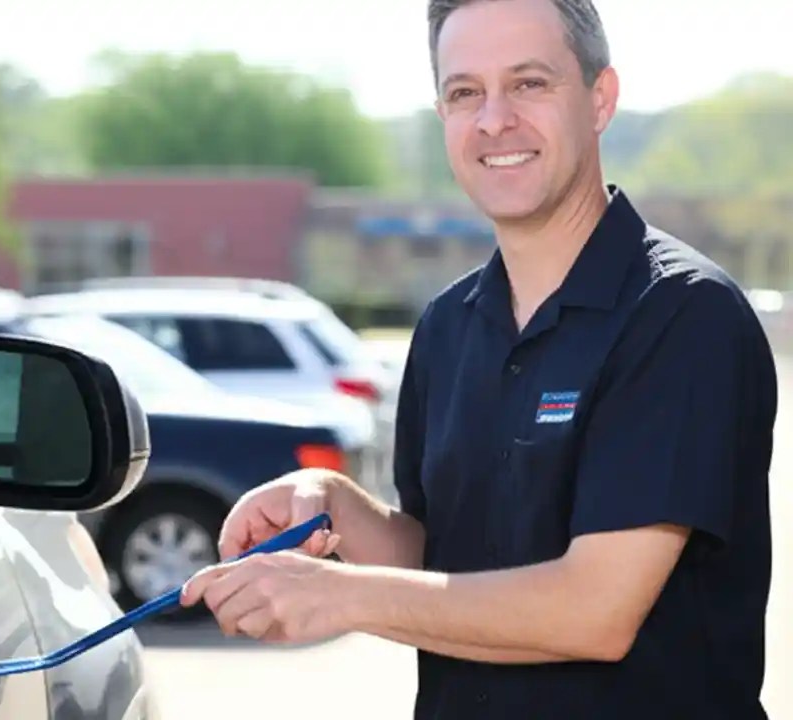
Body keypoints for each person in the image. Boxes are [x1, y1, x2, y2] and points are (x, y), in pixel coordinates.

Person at [179, 1, 777, 718]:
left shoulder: (681, 314)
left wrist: (337, 597)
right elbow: (444, 566)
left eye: (529, 83)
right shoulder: (447, 326)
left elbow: (595, 611)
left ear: (600, 99)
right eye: (466, 92)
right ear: (444, 118)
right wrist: (336, 505)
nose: (494, 120)